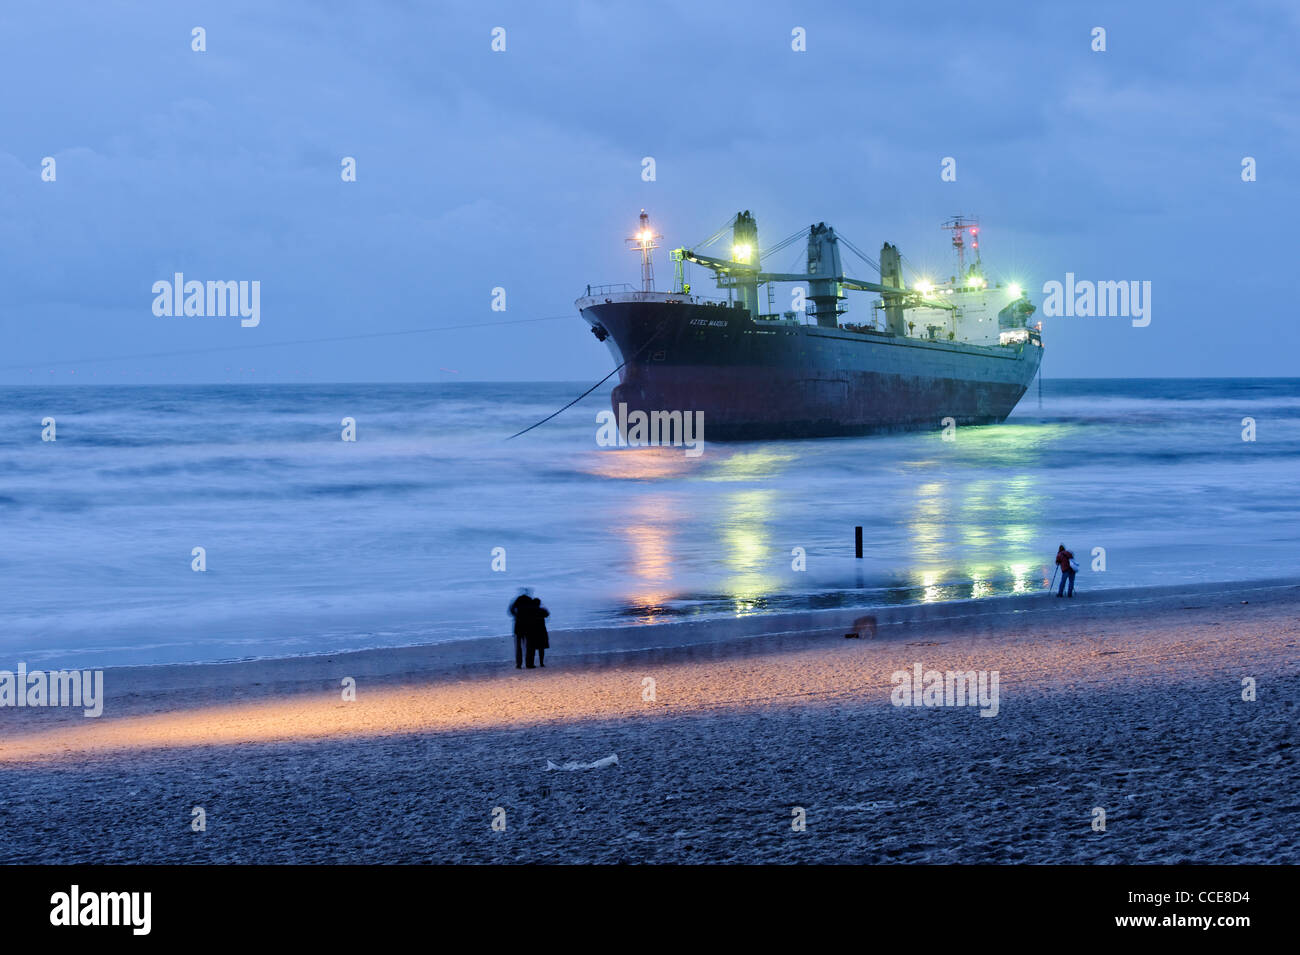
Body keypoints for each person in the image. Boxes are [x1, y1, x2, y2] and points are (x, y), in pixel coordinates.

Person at [508, 588, 534, 668]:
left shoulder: (518, 600)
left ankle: (519, 664)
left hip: (518, 625)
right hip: (528, 625)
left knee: (518, 647)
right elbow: (534, 611)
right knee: (529, 646)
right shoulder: (530, 600)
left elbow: (511, 610)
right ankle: (529, 664)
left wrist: (516, 615)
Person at [525, 596, 550, 668]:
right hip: (541, 630)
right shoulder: (541, 610)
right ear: (539, 603)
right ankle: (541, 663)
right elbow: (547, 614)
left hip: (532, 631)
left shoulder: (529, 611)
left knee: (532, 648)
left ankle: (531, 663)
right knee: (541, 648)